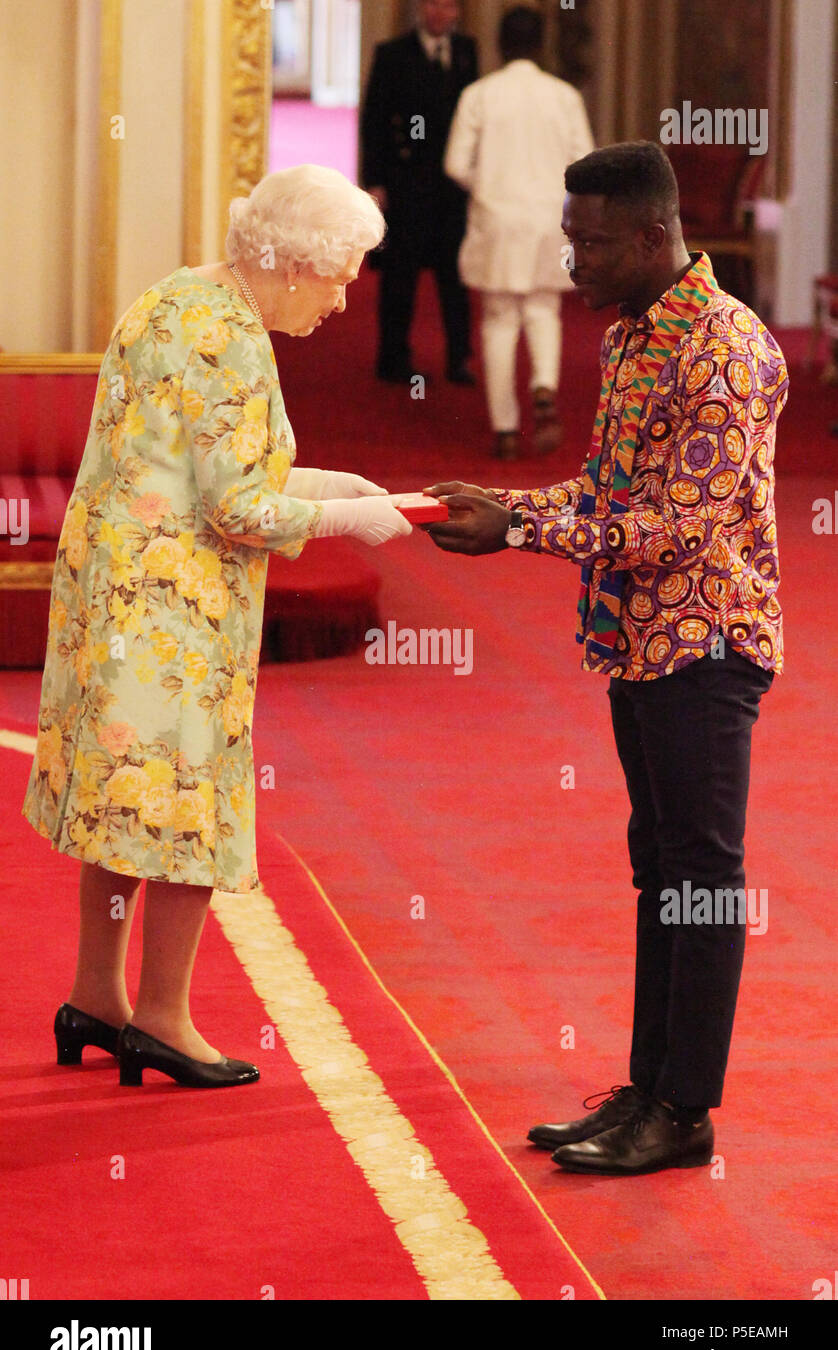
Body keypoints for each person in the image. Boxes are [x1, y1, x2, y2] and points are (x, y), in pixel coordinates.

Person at [424, 142, 788, 1175]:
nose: (568, 260)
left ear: (650, 236)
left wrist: (518, 532)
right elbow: (602, 492)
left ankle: (684, 1110)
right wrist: (505, 509)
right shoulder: (636, 332)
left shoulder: (720, 348)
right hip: (640, 639)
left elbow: (677, 524)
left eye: (585, 243)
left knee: (703, 878)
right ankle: (649, 1088)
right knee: (660, 871)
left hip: (704, 642)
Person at [24, 165, 411, 1090]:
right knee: (184, 805)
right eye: (341, 273)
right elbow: (238, 508)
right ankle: (159, 1017)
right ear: (294, 263)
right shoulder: (234, 338)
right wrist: (350, 518)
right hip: (173, 610)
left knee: (122, 798)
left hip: (112, 592)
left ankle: (95, 997)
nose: (348, 295)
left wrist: (332, 485)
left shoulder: (180, 295)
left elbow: (188, 459)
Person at [444, 5, 594, 458]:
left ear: (500, 45)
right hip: (549, 216)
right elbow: (584, 161)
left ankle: (505, 429)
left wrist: (487, 185)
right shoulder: (564, 95)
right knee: (544, 310)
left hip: (497, 218)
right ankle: (544, 387)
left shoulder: (479, 94)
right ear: (540, 44)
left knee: (499, 320)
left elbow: (454, 163)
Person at [361, 0, 478, 384]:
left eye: (447, 6)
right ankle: (391, 356)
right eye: (432, 4)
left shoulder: (465, 52)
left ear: (457, 11)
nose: (439, 13)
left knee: (454, 276)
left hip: (452, 185)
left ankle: (459, 357)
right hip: (406, 181)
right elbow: (373, 121)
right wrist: (374, 181)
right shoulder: (392, 54)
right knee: (400, 273)